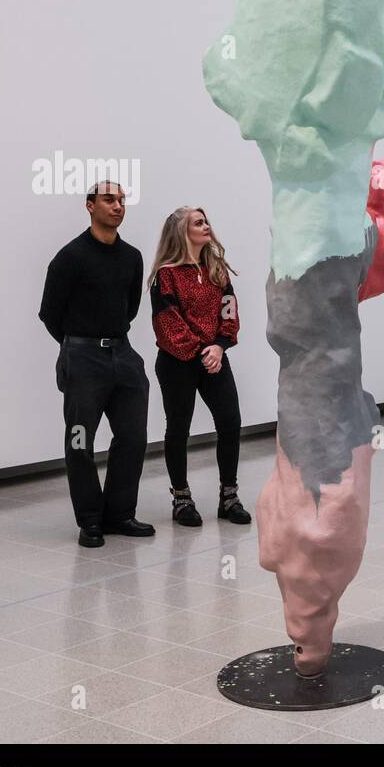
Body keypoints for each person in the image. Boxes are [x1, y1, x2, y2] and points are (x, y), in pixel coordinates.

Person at [39, 180, 156, 548]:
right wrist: (77, 346)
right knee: (80, 441)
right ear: (90, 206)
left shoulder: (132, 257)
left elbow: (130, 309)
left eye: (121, 200)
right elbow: (50, 313)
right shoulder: (70, 257)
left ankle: (119, 514)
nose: (118, 206)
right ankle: (90, 519)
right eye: (109, 199)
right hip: (82, 358)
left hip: (123, 355)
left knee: (133, 437)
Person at [148, 206, 250, 527]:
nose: (206, 226)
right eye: (198, 223)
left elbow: (229, 310)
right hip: (177, 362)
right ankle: (181, 498)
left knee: (230, 421)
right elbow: (167, 322)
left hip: (214, 357)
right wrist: (200, 352)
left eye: (206, 221)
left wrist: (219, 346)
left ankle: (229, 497)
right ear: (182, 232)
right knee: (179, 427)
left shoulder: (216, 269)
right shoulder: (166, 275)